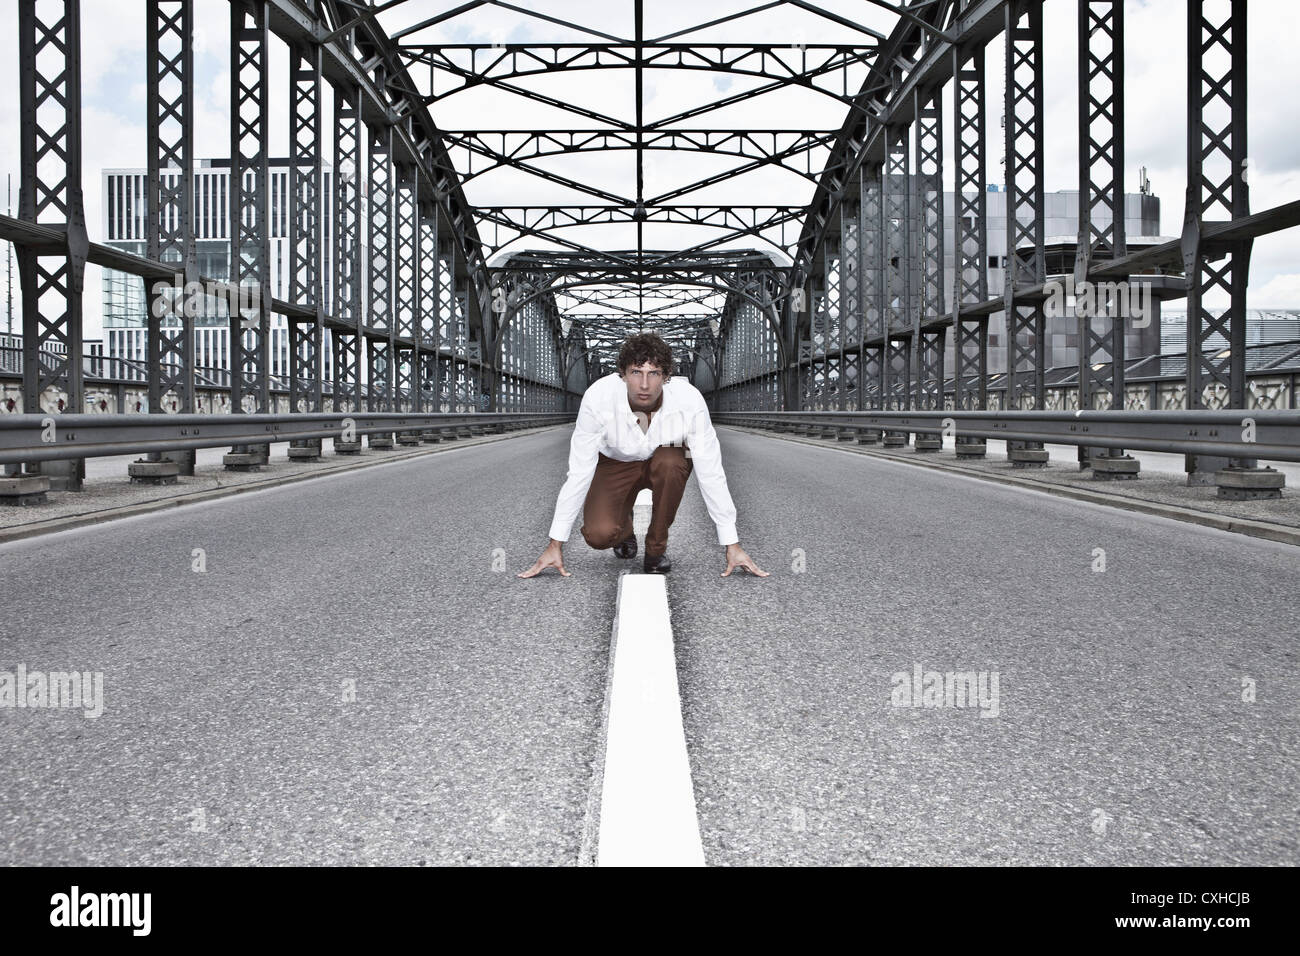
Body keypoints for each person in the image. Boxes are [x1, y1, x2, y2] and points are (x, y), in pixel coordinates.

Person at [518, 332, 767, 579]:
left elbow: (711, 472)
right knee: (599, 534)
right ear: (623, 375)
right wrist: (555, 544)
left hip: (665, 460)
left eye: (654, 373)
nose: (645, 384)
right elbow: (579, 472)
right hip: (615, 462)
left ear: (667, 376)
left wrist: (731, 543)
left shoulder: (689, 401)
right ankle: (624, 530)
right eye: (636, 372)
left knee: (671, 461)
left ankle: (656, 550)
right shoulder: (598, 398)